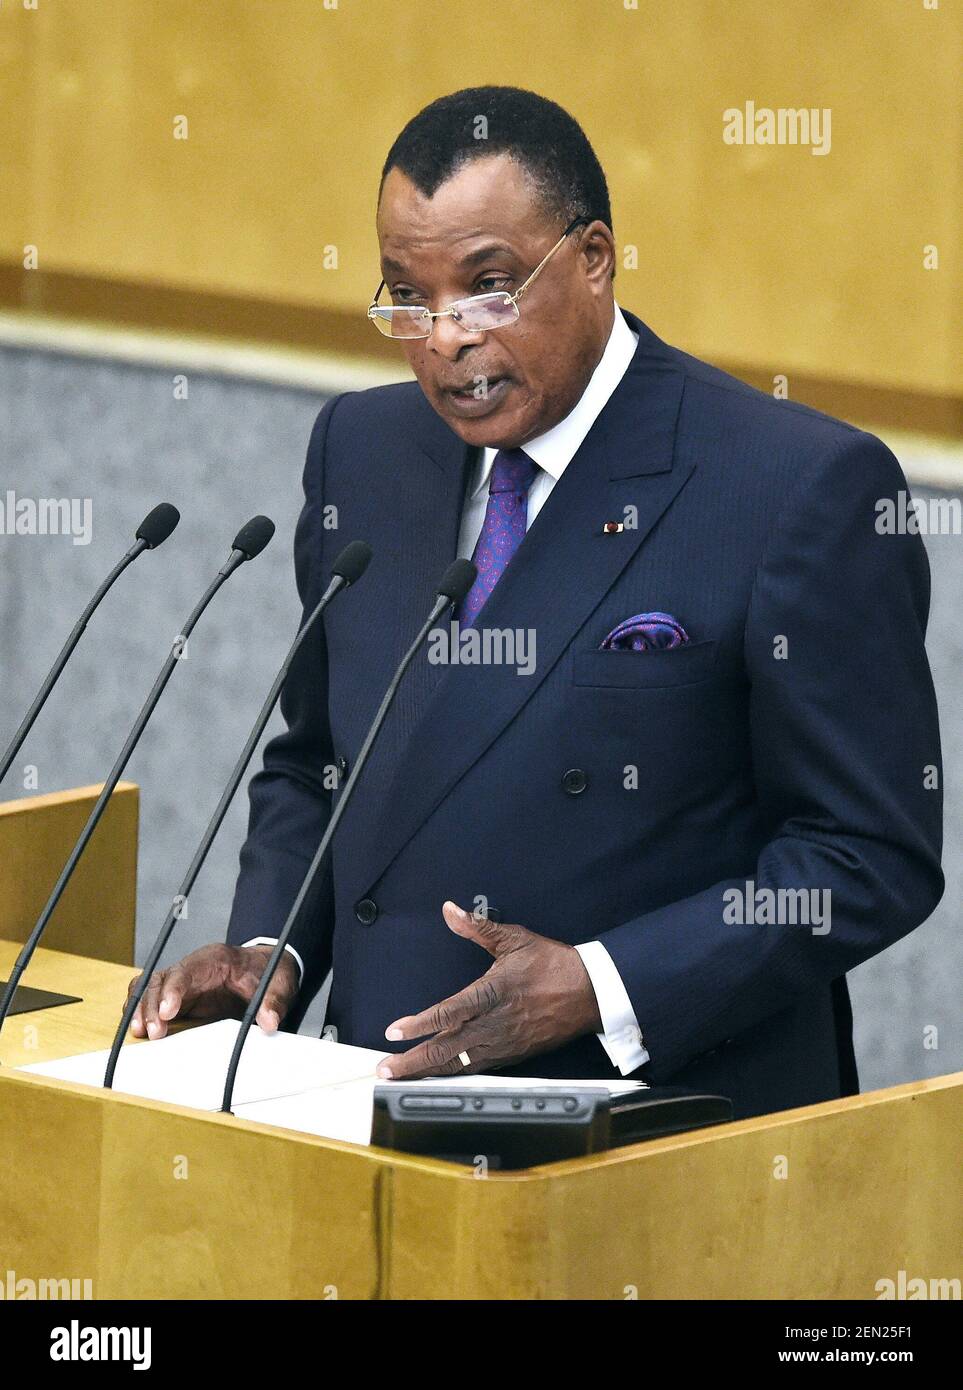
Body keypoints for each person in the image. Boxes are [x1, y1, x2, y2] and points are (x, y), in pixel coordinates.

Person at [126, 87, 943, 1119]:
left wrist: (601, 985)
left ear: (593, 257)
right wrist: (269, 948)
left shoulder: (792, 487)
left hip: (659, 1137)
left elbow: (866, 852)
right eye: (407, 300)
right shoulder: (364, 452)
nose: (444, 341)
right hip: (375, 1112)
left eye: (488, 287)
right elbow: (320, 760)